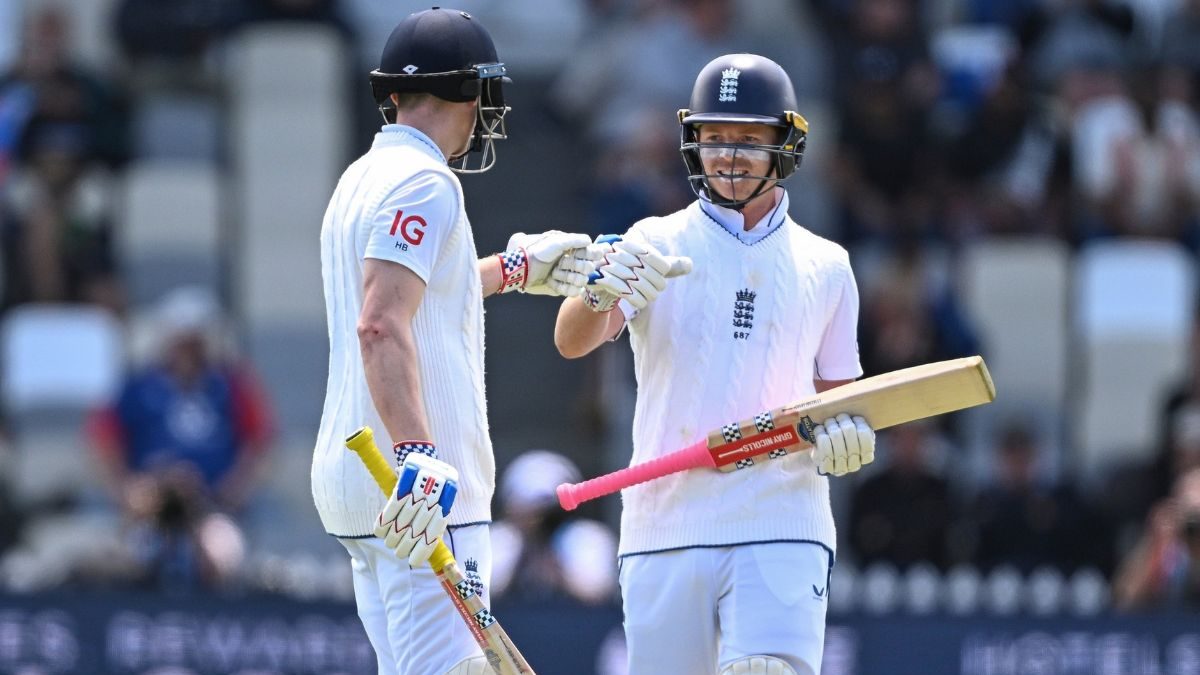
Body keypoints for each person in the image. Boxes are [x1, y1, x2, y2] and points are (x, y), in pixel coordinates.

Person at [555, 53, 878, 675]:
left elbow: (843, 399)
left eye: (750, 140)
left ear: (785, 144)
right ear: (692, 143)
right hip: (664, 521)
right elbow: (572, 340)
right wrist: (595, 290)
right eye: (716, 138)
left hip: (782, 517)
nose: (730, 155)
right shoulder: (653, 240)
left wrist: (852, 437)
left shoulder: (828, 263)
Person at [309, 8, 597, 675]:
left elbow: (421, 289)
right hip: (417, 486)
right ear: (467, 94)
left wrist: (515, 270)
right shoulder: (426, 182)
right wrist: (417, 451)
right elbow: (380, 322)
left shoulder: (360, 177)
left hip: (359, 483)